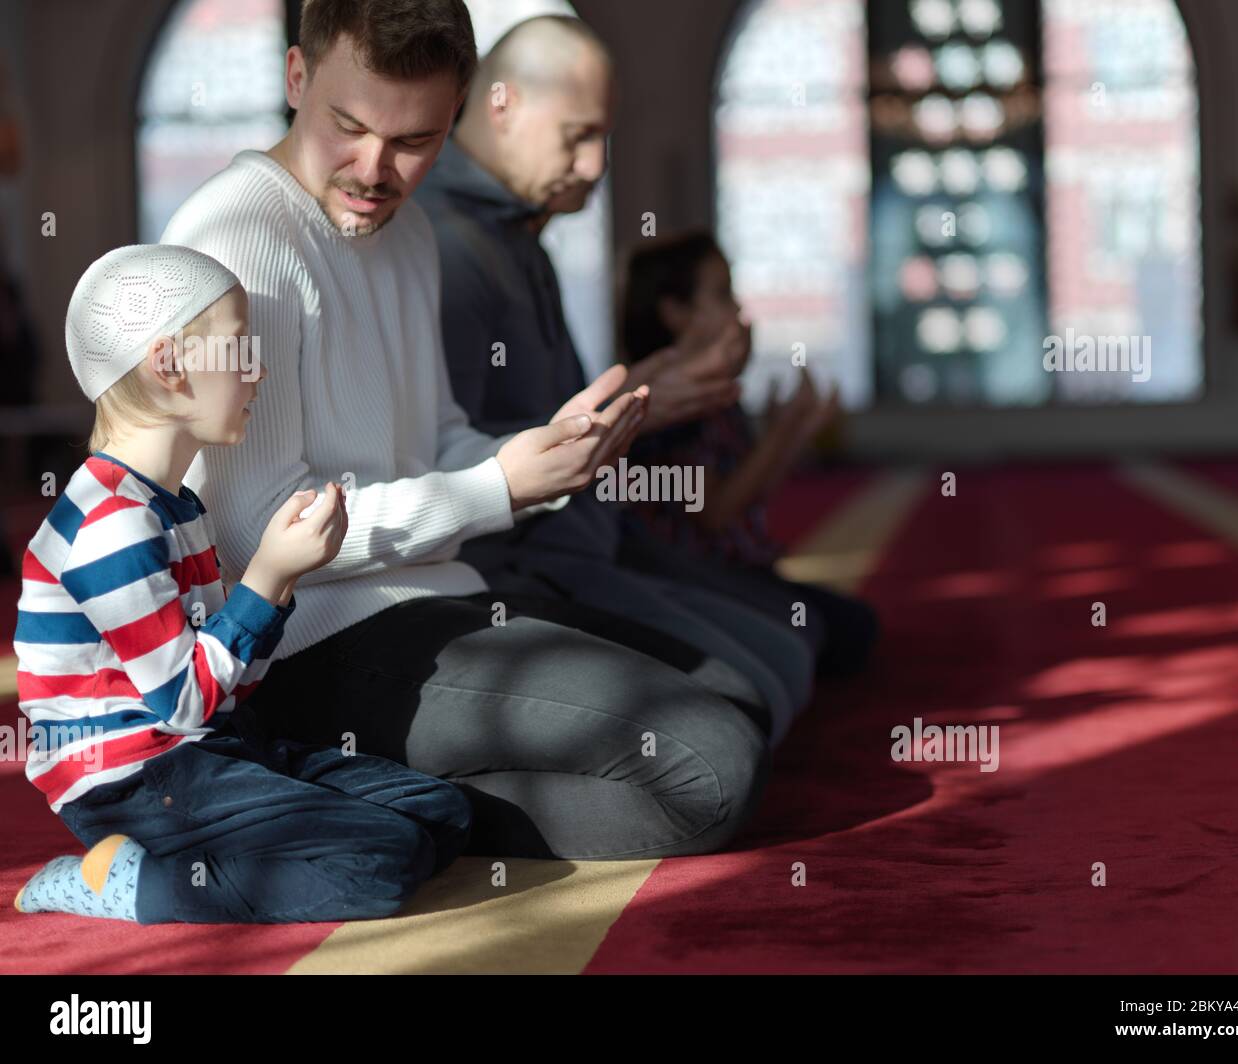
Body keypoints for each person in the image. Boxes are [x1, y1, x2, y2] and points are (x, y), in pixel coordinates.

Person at [162, 0, 769, 860]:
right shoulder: (240, 235)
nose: (376, 169)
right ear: (296, 78)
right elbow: (256, 530)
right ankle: (324, 792)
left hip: (435, 596)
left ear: (455, 119)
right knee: (713, 771)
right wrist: (495, 487)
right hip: (300, 645)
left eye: (415, 141)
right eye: (349, 126)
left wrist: (543, 455)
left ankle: (366, 797)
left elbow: (437, 440)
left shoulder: (408, 235)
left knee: (740, 701)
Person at [13, 244, 471, 924]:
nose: (256, 372)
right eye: (238, 349)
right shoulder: (111, 526)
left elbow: (231, 685)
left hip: (210, 744)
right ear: (167, 365)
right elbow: (183, 703)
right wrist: (270, 573)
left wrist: (277, 586)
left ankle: (211, 858)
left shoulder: (174, 506)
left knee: (441, 814)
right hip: (137, 779)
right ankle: (126, 883)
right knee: (380, 863)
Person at [414, 14, 815, 745]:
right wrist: (633, 415)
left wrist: (640, 402)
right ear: (503, 106)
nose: (598, 166)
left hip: (583, 544)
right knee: (752, 700)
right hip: (518, 575)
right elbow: (447, 467)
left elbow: (539, 417)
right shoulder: (450, 246)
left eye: (603, 136)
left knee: (789, 660)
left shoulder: (513, 233)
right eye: (578, 135)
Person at [622, 231, 879, 677]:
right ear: (675, 312)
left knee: (849, 625)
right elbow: (715, 512)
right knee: (832, 631)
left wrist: (794, 434)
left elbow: (750, 494)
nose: (739, 309)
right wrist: (781, 434)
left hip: (739, 569)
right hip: (693, 578)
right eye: (722, 294)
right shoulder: (670, 403)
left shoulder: (718, 393)